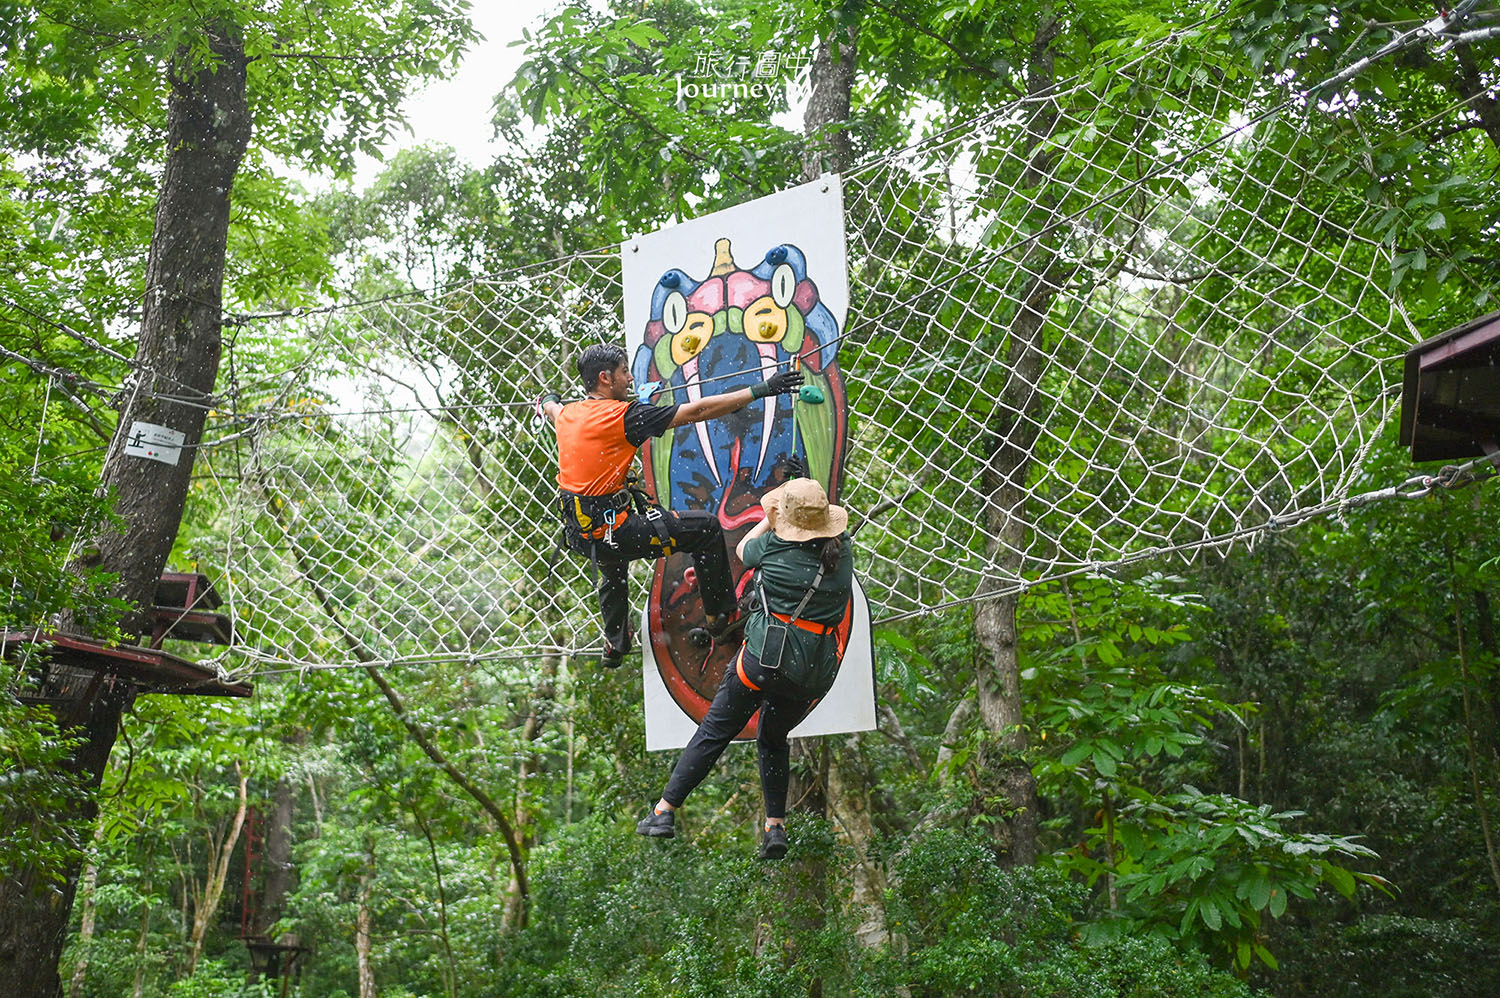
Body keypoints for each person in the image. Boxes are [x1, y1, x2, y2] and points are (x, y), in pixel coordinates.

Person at [540, 343, 803, 669]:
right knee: (705, 529)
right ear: (605, 378)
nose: (629, 381)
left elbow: (551, 407)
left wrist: (546, 399)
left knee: (611, 563)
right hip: (615, 532)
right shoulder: (625, 415)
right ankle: (720, 617)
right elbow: (698, 411)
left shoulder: (567, 414)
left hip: (581, 535)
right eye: (624, 373)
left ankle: (615, 643)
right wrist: (761, 389)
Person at [635, 477, 854, 859]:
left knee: (715, 731)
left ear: (786, 521)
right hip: (812, 674)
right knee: (773, 738)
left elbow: (745, 548)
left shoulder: (772, 547)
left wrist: (772, 518)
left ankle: (663, 811)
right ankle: (775, 828)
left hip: (763, 662)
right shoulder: (843, 553)